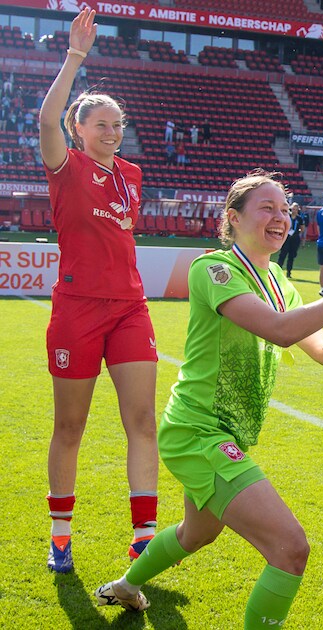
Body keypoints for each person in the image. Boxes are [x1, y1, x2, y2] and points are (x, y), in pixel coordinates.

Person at [92, 170, 323, 628]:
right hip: (198, 432)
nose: (280, 218)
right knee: (290, 549)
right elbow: (282, 332)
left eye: (285, 210)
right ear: (233, 218)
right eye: (266, 208)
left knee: (196, 533)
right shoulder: (214, 268)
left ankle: (127, 587)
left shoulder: (281, 282)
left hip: (222, 434)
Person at [39, 8, 158, 573]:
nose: (112, 132)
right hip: (77, 311)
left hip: (130, 309)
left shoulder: (131, 175)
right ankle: (61, 534)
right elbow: (45, 122)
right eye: (101, 124)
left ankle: (144, 535)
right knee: (71, 426)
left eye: (117, 124)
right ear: (78, 129)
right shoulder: (65, 165)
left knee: (142, 421)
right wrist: (75, 57)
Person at [276, 202, 308, 278]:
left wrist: (297, 232)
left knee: (292, 256)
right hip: (286, 237)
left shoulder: (299, 218)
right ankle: (278, 272)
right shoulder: (287, 216)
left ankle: (289, 272)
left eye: (296, 209)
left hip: (295, 238)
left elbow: (302, 228)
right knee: (282, 255)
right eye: (293, 209)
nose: (294, 211)